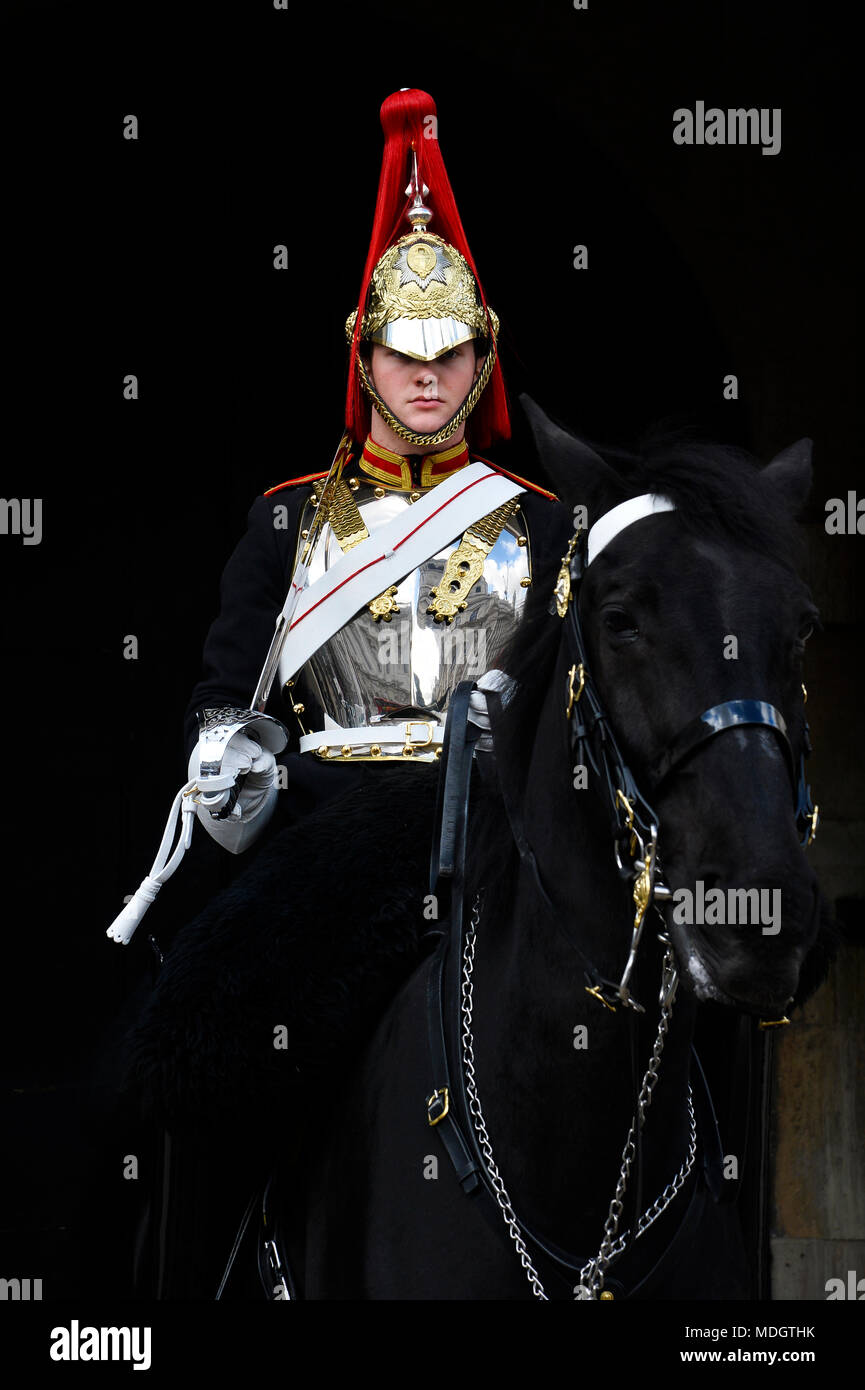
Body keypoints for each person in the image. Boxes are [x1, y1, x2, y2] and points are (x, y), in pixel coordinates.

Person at [122, 87, 571, 1298]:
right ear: (362, 356)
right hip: (326, 832)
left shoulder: (539, 521)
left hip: (496, 837)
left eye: (451, 356)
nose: (427, 380)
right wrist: (226, 755)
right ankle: (189, 1289)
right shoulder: (288, 517)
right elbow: (230, 686)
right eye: (402, 356)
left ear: (482, 357)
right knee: (199, 1040)